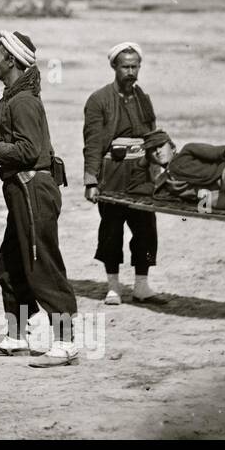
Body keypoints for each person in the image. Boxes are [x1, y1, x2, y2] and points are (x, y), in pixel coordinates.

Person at [0, 30, 80, 368]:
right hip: (21, 191)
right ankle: (18, 337)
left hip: (32, 189)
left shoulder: (23, 102)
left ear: (11, 60)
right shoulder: (12, 96)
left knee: (42, 265)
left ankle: (65, 343)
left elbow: (28, 150)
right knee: (10, 266)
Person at [83, 41, 160, 305]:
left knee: (146, 229)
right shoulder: (98, 100)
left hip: (141, 174)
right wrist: (91, 180)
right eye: (125, 67)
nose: (131, 72)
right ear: (114, 67)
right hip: (112, 173)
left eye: (135, 66)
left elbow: (151, 135)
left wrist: (158, 168)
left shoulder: (143, 98)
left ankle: (141, 285)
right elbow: (92, 143)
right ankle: (113, 286)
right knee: (112, 230)